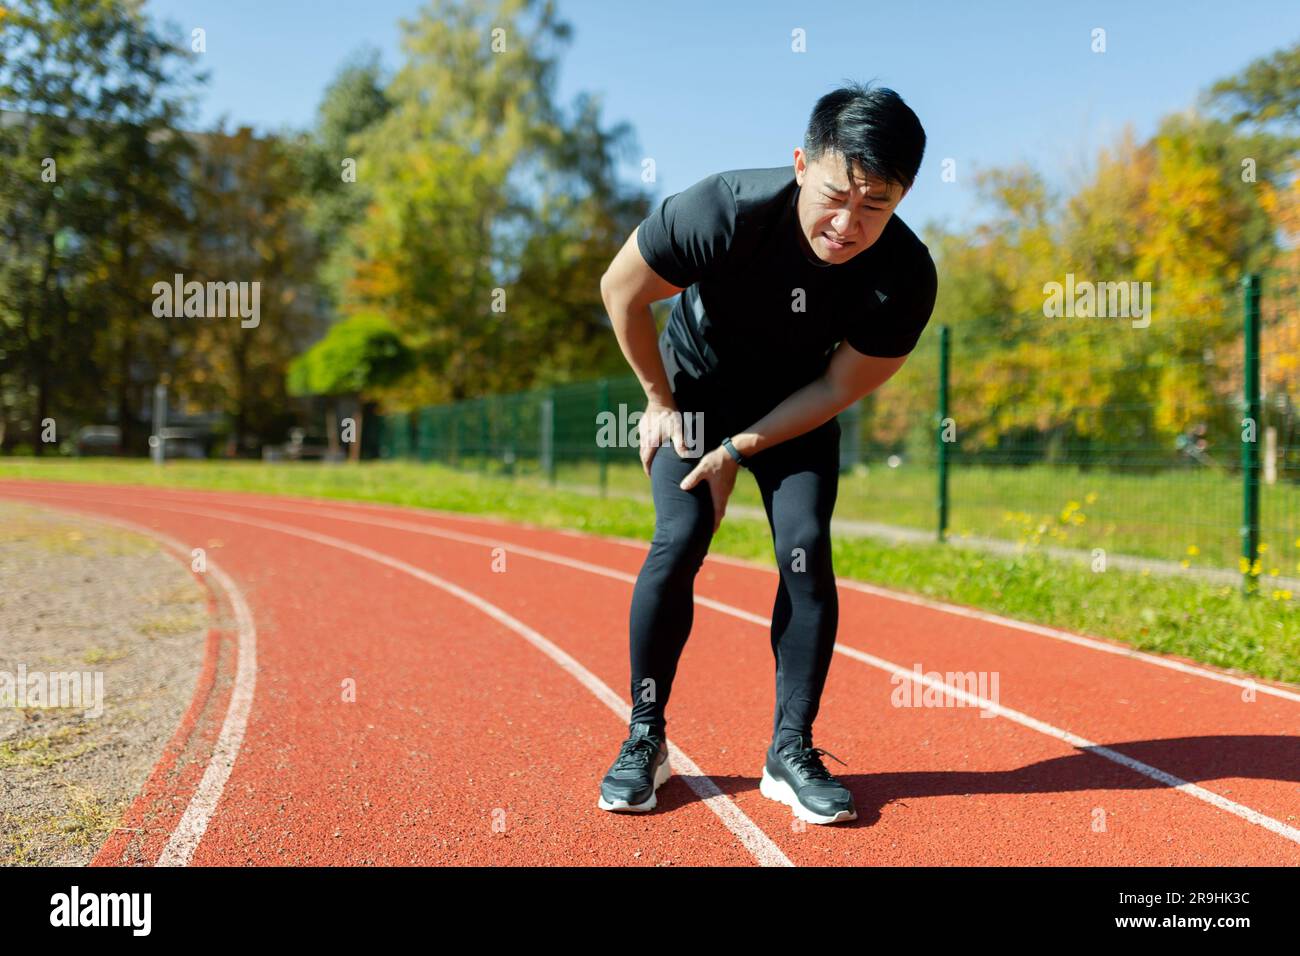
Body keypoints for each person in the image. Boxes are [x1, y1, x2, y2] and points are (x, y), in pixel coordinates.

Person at [596, 82, 938, 825]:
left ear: (902, 198)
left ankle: (791, 748)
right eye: (835, 194)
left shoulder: (904, 278)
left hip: (794, 408)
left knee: (806, 547)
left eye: (875, 205)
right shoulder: (724, 210)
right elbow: (621, 289)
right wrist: (659, 402)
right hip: (692, 391)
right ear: (799, 164)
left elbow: (843, 385)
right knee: (680, 536)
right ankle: (644, 737)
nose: (847, 225)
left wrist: (739, 450)